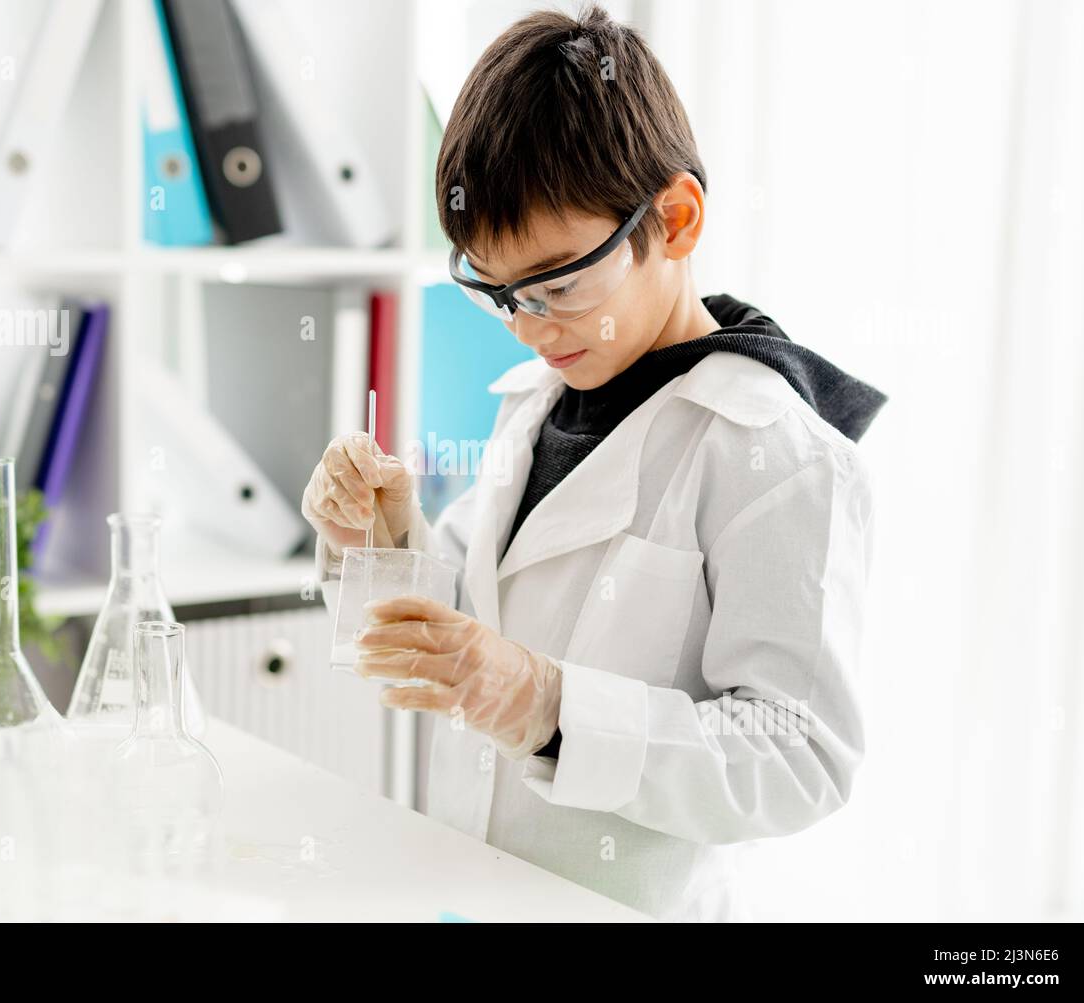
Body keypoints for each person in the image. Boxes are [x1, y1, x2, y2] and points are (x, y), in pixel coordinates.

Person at [301, 5, 885, 921]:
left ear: (676, 219)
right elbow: (470, 627)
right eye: (497, 293)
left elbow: (798, 753)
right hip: (467, 887)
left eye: (561, 283)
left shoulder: (776, 455)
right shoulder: (536, 400)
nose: (532, 327)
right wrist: (384, 539)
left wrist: (553, 707)